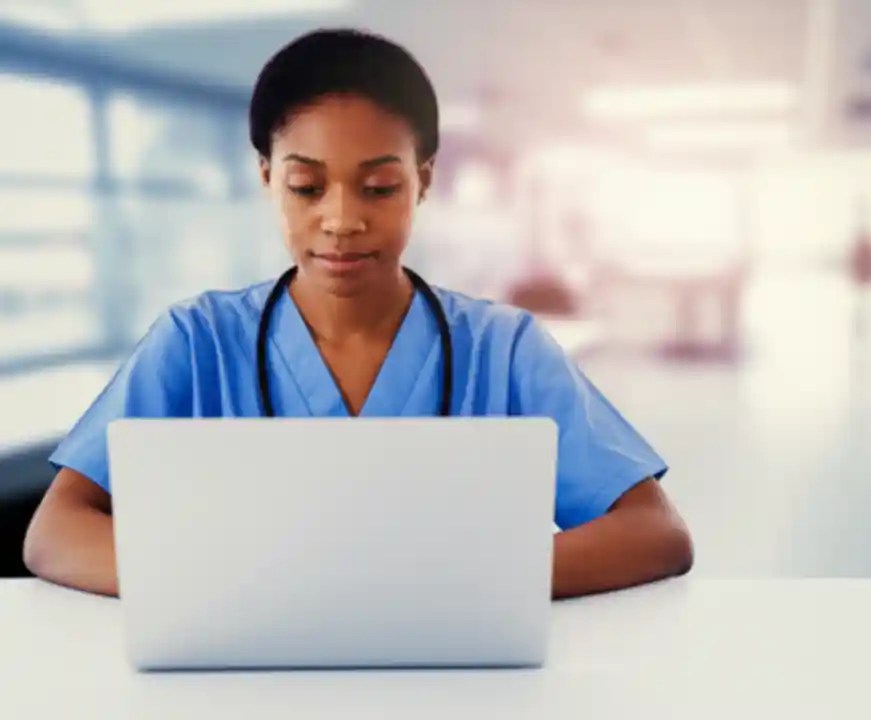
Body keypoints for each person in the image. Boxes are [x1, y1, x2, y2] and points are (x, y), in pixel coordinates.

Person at [23, 28, 692, 600]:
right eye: (307, 187)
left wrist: (467, 586)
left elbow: (655, 532)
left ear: (423, 180)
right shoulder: (195, 343)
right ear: (265, 178)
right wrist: (226, 587)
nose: (341, 220)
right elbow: (54, 533)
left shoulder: (504, 349)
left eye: (379, 187)